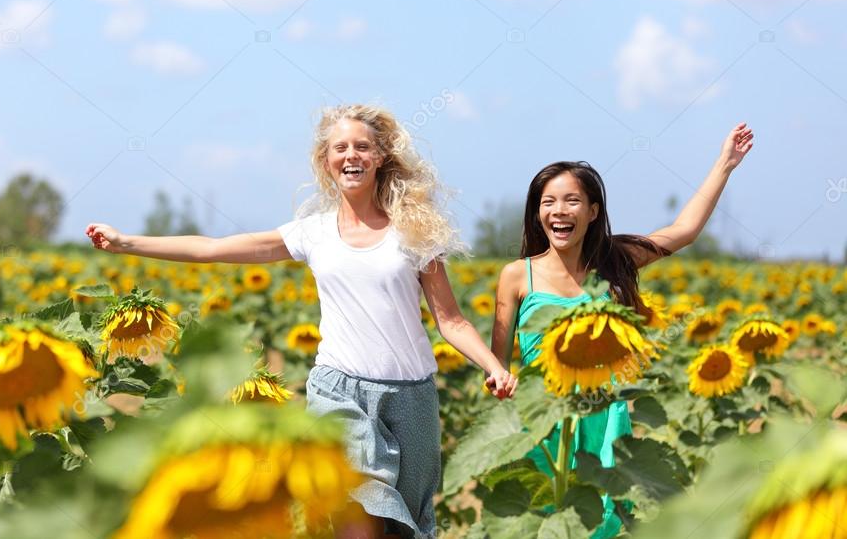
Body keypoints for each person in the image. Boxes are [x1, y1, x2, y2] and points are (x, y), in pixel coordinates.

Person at [87, 104, 517, 539]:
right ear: (325, 160)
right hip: (338, 391)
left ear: (381, 157)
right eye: (340, 148)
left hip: (411, 397)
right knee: (359, 517)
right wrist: (127, 242)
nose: (351, 155)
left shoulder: (413, 234)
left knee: (409, 523)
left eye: (363, 147)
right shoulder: (312, 232)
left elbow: (452, 321)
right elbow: (213, 248)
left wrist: (494, 366)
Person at [490, 123, 754, 538]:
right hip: (541, 422)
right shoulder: (516, 276)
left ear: (592, 211)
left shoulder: (615, 261)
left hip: (603, 414)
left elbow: (682, 232)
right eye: (549, 202)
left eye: (572, 201)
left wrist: (725, 164)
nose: (559, 211)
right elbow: (497, 362)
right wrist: (498, 380)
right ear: (537, 212)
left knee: (602, 520)